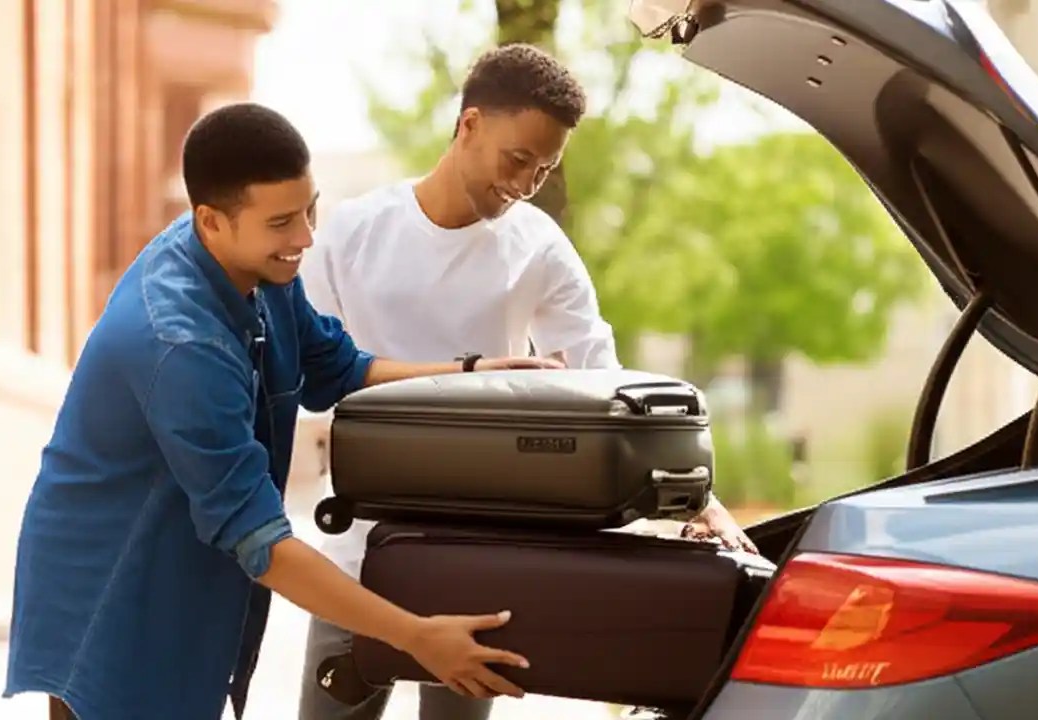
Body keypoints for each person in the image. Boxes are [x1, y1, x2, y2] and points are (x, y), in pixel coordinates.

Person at [2, 102, 563, 720]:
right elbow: (261, 540)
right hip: (111, 577)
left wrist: (468, 373)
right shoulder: (178, 342)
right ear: (210, 222)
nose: (305, 238)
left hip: (184, 552)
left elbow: (338, 367)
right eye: (281, 222)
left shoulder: (260, 262)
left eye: (309, 210)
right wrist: (416, 636)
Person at [297, 43, 757, 720]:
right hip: (357, 557)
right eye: (517, 160)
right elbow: (311, 374)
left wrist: (696, 500)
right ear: (469, 125)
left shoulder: (536, 247)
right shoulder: (354, 232)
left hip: (479, 561)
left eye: (543, 171)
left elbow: (605, 379)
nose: (523, 184)